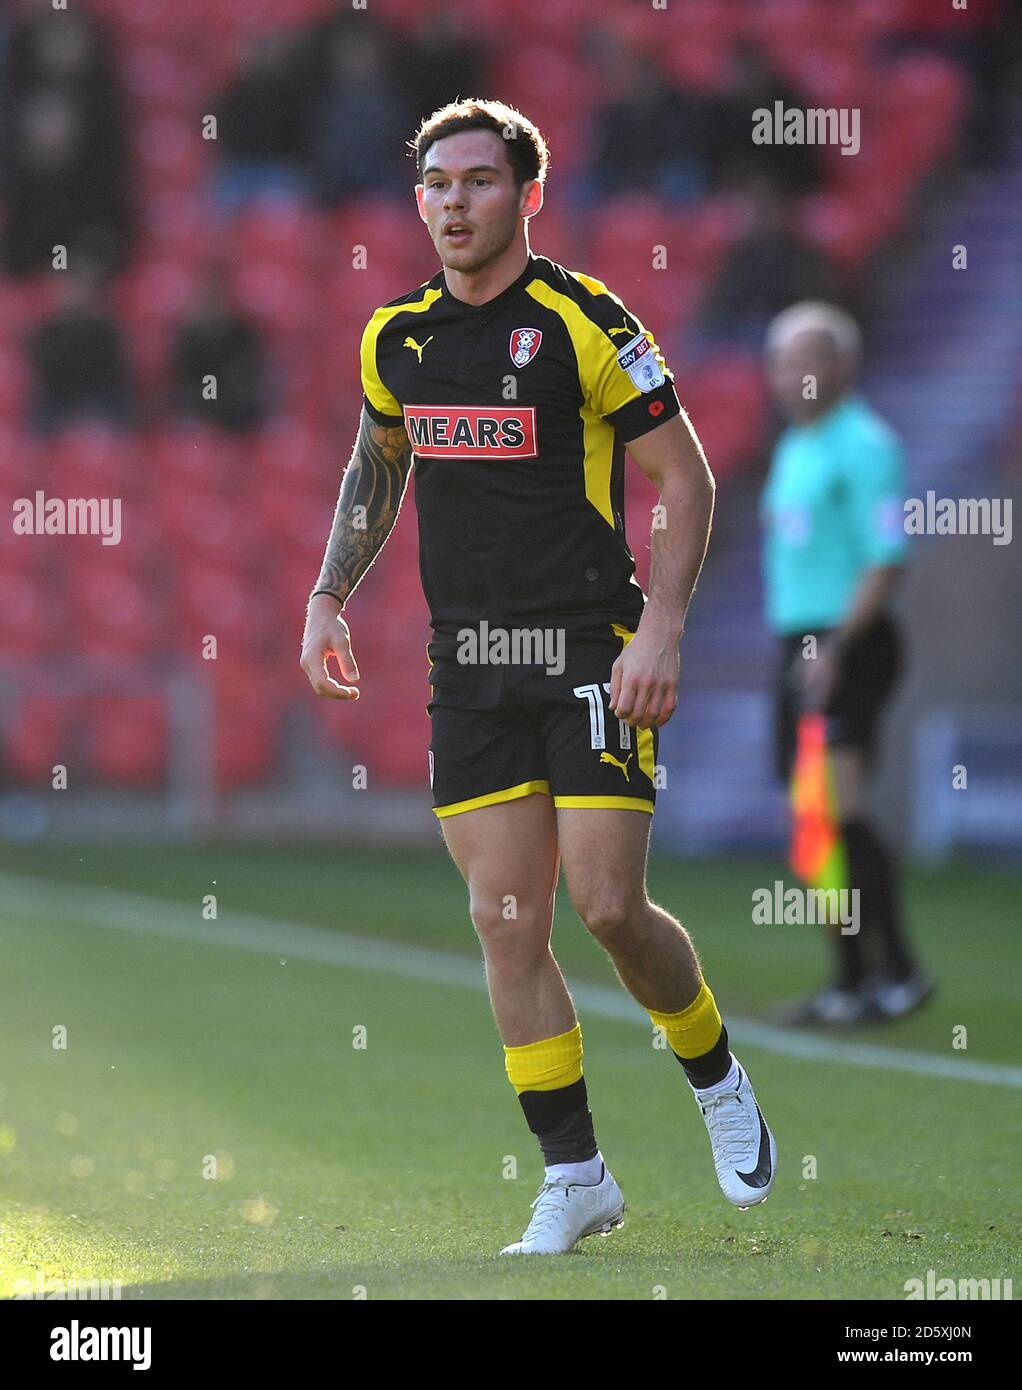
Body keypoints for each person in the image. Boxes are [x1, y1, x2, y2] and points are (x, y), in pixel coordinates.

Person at [300, 99, 776, 1255]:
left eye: (477, 181)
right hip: (467, 666)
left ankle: (711, 1072)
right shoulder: (393, 339)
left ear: (525, 194)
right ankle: (575, 1178)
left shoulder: (579, 321)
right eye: (435, 184)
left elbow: (685, 476)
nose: (453, 202)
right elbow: (378, 461)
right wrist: (326, 595)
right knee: (504, 919)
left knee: (608, 906)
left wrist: (660, 631)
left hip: (589, 653)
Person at [761, 302, 934, 1027]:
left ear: (842, 366)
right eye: (783, 362)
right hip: (797, 642)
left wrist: (833, 647)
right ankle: (856, 978)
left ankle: (894, 973)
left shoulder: (864, 444)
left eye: (809, 358)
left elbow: (884, 560)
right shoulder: (795, 445)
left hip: (848, 642)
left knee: (839, 806)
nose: (794, 374)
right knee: (813, 816)